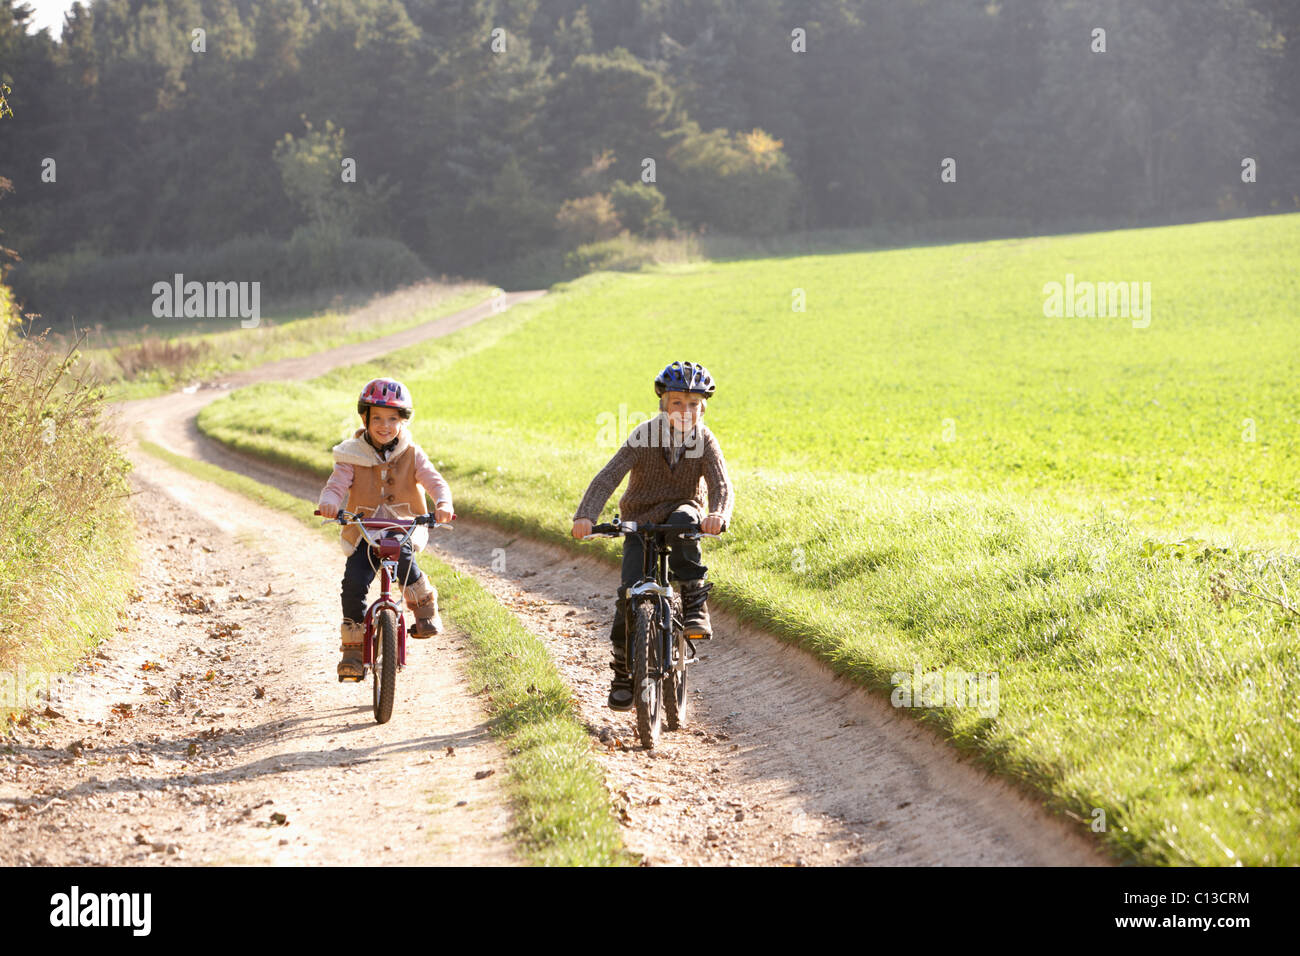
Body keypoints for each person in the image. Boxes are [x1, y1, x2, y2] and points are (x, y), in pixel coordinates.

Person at [571, 361, 733, 711]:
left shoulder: (704, 438)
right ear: (663, 404)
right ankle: (623, 673)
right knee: (627, 597)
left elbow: (720, 483)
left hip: (684, 509)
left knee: (683, 522)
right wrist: (586, 516)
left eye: (694, 404)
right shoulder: (644, 434)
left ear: (703, 407)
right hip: (640, 517)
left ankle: (692, 601)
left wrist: (718, 514)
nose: (685, 411)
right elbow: (608, 476)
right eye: (677, 403)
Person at [317, 378, 454, 680]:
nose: (384, 425)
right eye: (376, 418)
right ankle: (352, 649)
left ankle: (425, 612)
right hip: (364, 529)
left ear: (403, 421)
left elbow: (435, 481)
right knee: (353, 582)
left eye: (392, 419)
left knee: (404, 558)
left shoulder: (412, 453)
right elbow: (335, 485)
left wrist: (443, 503)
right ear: (364, 417)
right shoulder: (350, 454)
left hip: (402, 525)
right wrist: (329, 502)